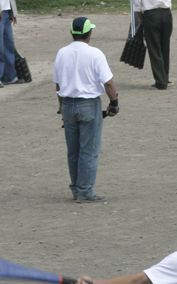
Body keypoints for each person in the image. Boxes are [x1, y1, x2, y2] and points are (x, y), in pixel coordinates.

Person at [53, 17, 120, 203]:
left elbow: (58, 84)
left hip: (67, 104)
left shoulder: (62, 53)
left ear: (72, 33)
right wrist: (114, 102)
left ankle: (75, 187)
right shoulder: (95, 54)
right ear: (89, 33)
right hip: (89, 105)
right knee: (89, 150)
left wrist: (61, 108)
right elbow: (108, 82)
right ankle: (85, 190)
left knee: (73, 150)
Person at [132, 0, 172, 90]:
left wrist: (141, 18)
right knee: (165, 47)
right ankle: (165, 77)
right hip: (166, 13)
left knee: (154, 48)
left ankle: (160, 82)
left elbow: (137, 4)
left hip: (151, 14)